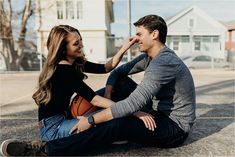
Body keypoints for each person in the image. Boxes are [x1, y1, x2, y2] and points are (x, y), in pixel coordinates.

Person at [1, 14, 196, 156]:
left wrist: (92, 120)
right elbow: (117, 73)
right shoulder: (149, 57)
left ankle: (44, 150)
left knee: (116, 123)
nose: (136, 39)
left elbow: (110, 72)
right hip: (55, 123)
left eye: (139, 34)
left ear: (154, 34)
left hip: (174, 129)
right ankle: (75, 133)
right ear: (64, 49)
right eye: (76, 44)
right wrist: (113, 97)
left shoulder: (162, 62)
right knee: (118, 90)